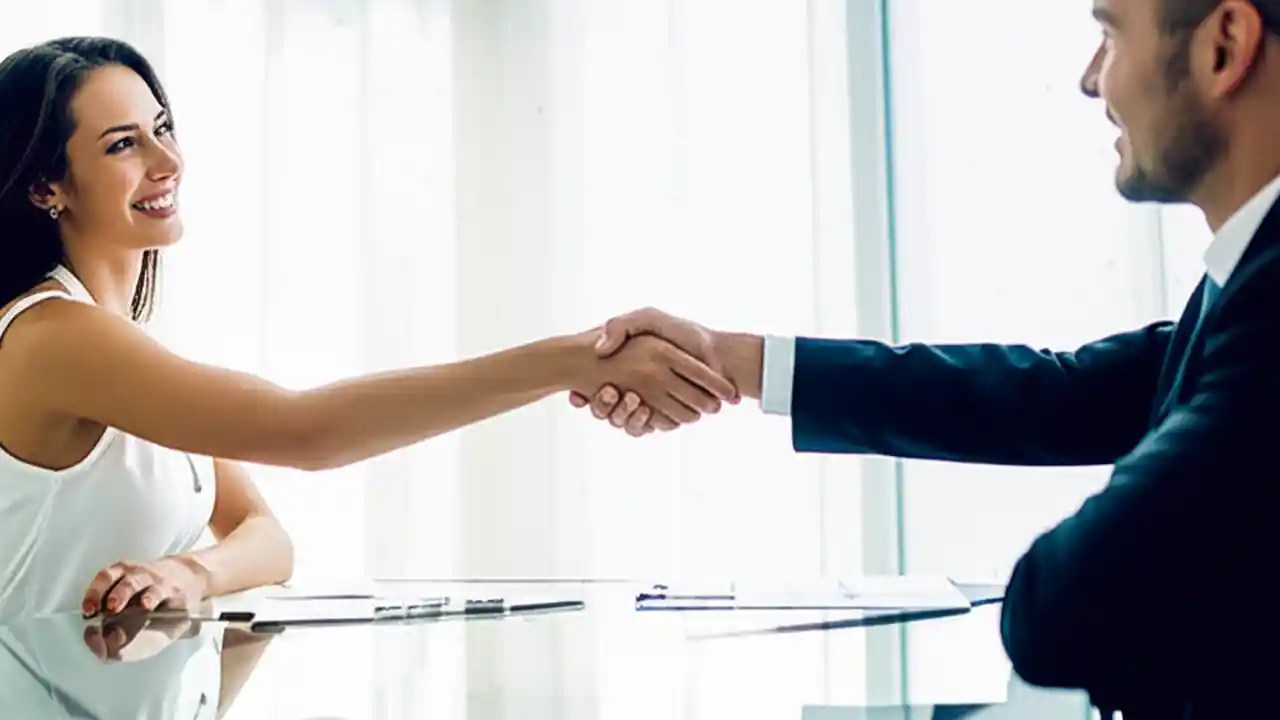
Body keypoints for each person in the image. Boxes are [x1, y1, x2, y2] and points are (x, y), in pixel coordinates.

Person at [575, 0, 1280, 712]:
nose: (1092, 80)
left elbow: (1065, 605)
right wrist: (735, 361)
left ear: (1223, 46)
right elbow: (1056, 396)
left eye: (1110, 36)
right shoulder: (1246, 278)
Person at [0, 37, 735, 623]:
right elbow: (306, 431)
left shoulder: (124, 345)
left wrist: (187, 572)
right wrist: (574, 360)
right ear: (45, 187)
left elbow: (266, 536)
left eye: (162, 129)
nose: (169, 161)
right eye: (123, 144)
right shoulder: (56, 339)